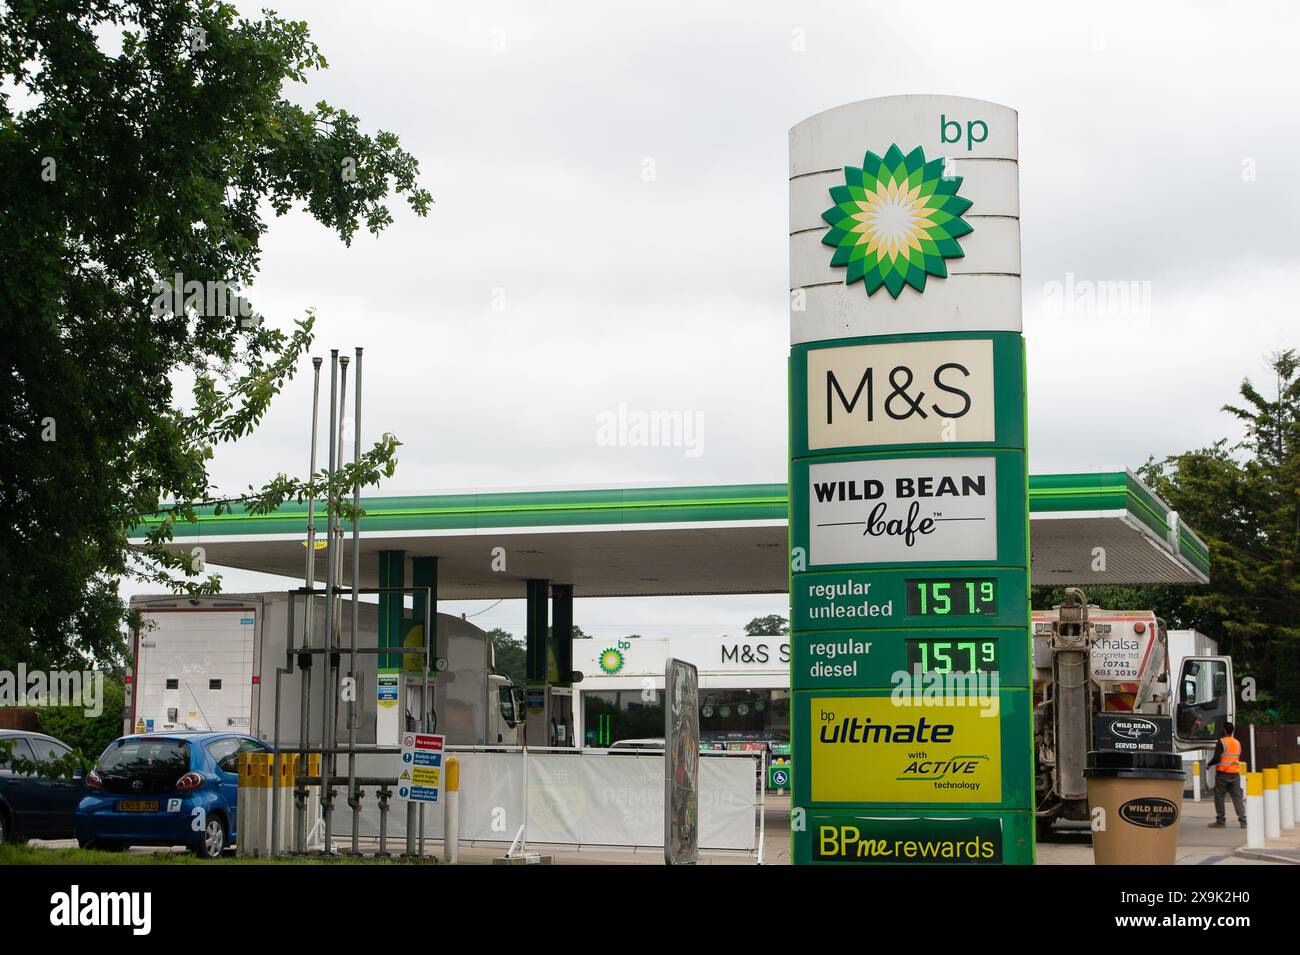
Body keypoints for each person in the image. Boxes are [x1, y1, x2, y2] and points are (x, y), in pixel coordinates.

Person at [1207, 720, 1247, 828]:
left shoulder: (1222, 742)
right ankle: (1243, 821)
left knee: (1219, 797)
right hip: (1235, 774)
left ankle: (1220, 821)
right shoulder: (1237, 742)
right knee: (1237, 798)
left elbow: (1216, 758)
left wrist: (1209, 765)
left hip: (1223, 774)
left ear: (1224, 730)